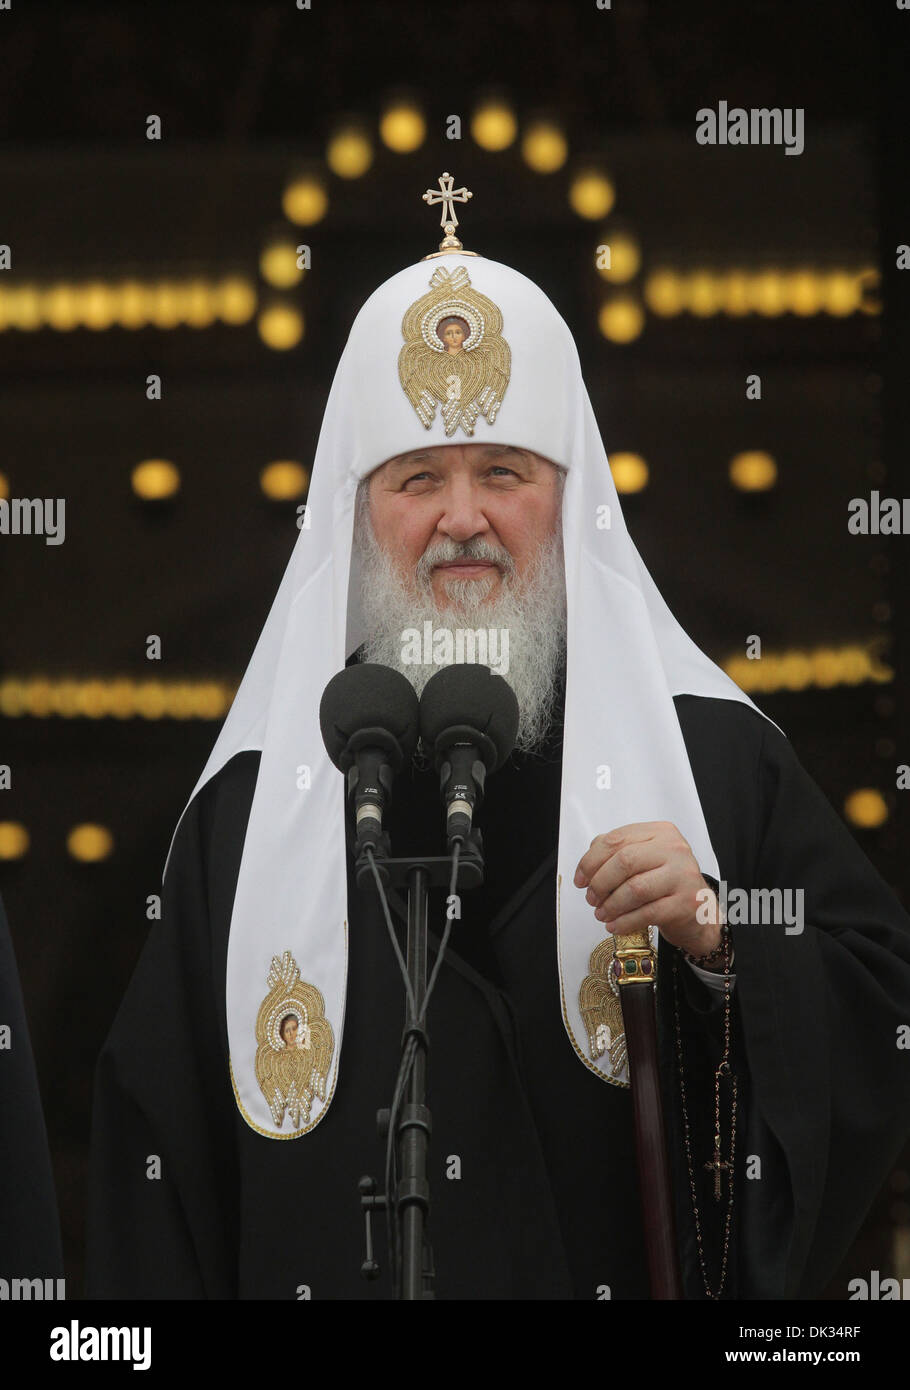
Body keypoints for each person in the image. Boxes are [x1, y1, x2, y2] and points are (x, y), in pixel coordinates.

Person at [87, 188, 910, 1301]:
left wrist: (720, 943)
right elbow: (156, 1188)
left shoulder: (711, 758)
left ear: (568, 505)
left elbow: (879, 1009)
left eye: (505, 474)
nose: (462, 516)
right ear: (358, 514)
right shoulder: (241, 819)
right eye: (418, 478)